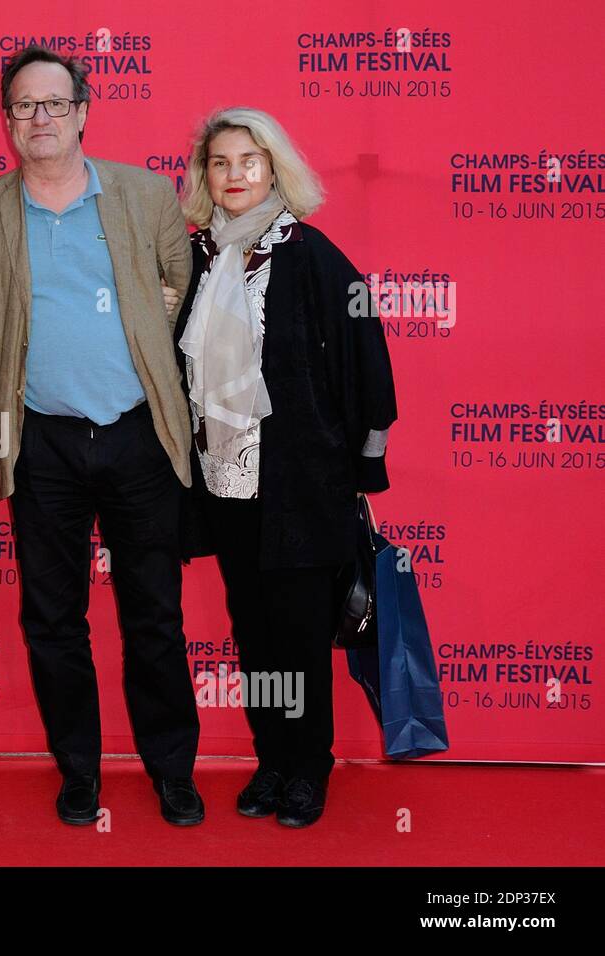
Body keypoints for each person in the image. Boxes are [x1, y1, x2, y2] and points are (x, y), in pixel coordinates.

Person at [0, 46, 202, 827]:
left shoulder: (142, 193)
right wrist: (26, 367)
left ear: (83, 113)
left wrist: (130, 341)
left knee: (155, 616)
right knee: (54, 619)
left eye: (54, 104)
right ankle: (79, 772)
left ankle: (173, 770)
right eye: (25, 106)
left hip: (140, 437)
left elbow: (177, 284)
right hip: (43, 444)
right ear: (7, 121)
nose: (40, 118)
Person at [172, 107, 397, 827]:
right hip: (227, 482)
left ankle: (309, 771)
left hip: (300, 486)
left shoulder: (309, 254)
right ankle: (272, 762)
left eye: (249, 161)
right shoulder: (203, 256)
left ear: (274, 168)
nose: (235, 175)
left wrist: (361, 467)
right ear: (205, 176)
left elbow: (368, 362)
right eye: (220, 163)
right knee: (256, 633)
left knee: (299, 636)